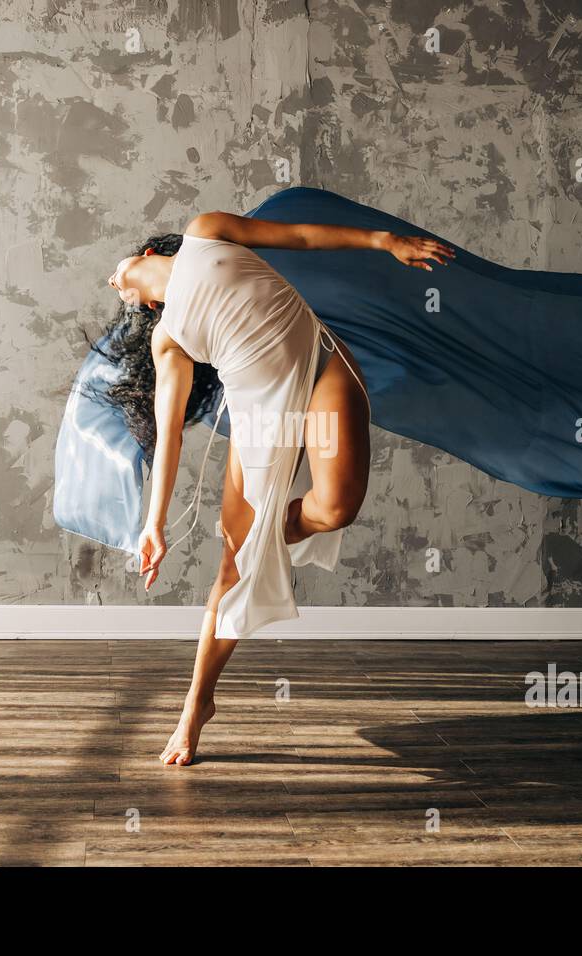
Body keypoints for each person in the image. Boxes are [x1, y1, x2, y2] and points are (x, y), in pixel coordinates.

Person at [99, 213, 454, 764]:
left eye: (115, 270)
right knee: (233, 566)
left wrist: (387, 242)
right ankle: (198, 703)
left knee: (335, 507)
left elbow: (303, 236)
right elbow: (166, 434)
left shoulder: (205, 232)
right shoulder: (168, 341)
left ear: (147, 254)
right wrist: (153, 522)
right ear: (147, 308)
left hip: (321, 369)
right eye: (119, 292)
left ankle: (268, 534)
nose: (112, 281)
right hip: (265, 420)